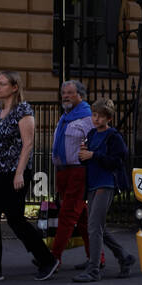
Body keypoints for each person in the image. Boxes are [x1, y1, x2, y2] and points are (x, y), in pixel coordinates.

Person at [0, 71, 54, 281]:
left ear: (14, 87)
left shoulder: (23, 110)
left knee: (16, 220)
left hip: (13, 173)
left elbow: (28, 144)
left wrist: (19, 173)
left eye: (2, 83)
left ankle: (47, 259)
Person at [74, 99, 136, 282]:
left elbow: (117, 161)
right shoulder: (92, 134)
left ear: (108, 117)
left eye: (100, 116)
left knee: (94, 226)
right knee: (98, 226)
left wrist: (93, 155)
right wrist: (83, 155)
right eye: (94, 115)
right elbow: (86, 159)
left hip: (106, 183)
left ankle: (93, 269)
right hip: (92, 183)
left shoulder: (113, 136)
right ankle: (124, 257)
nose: (96, 118)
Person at [50, 79, 93, 271]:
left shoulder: (87, 117)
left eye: (69, 93)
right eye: (63, 93)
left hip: (77, 171)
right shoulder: (65, 117)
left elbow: (94, 144)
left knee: (67, 214)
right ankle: (96, 257)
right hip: (63, 171)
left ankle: (53, 258)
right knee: (82, 217)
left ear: (80, 95)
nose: (65, 96)